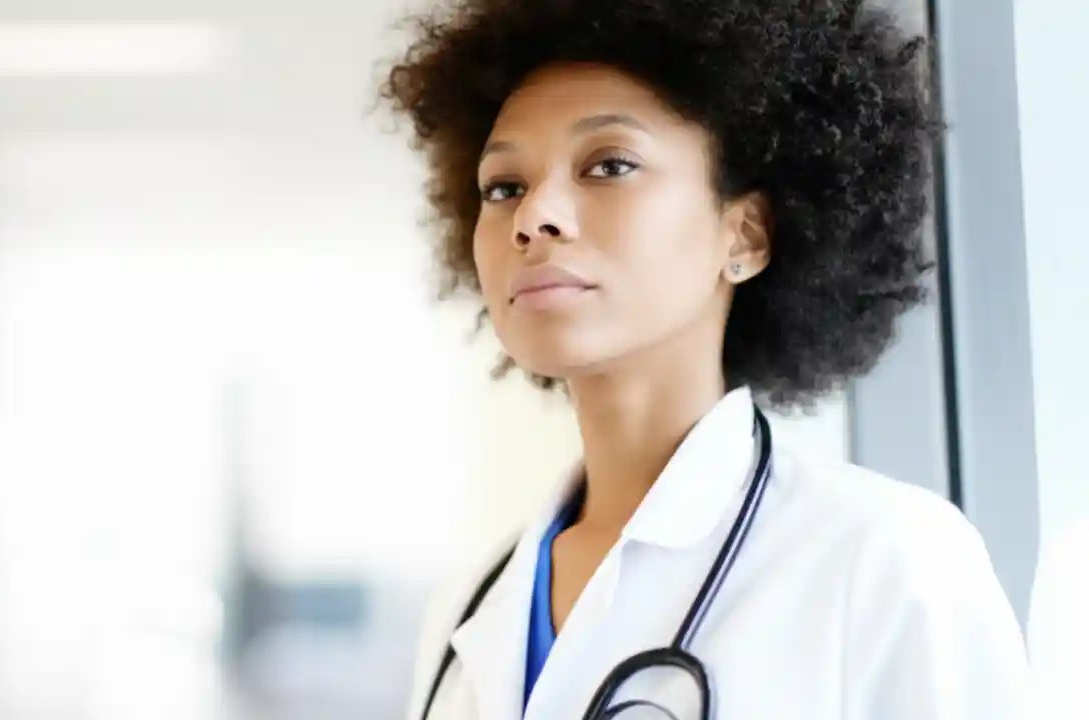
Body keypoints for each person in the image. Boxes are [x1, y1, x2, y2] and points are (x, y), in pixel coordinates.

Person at [377, 0, 1030, 717]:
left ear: (745, 236)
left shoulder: (888, 558)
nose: (533, 217)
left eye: (609, 165)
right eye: (504, 188)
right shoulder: (469, 605)